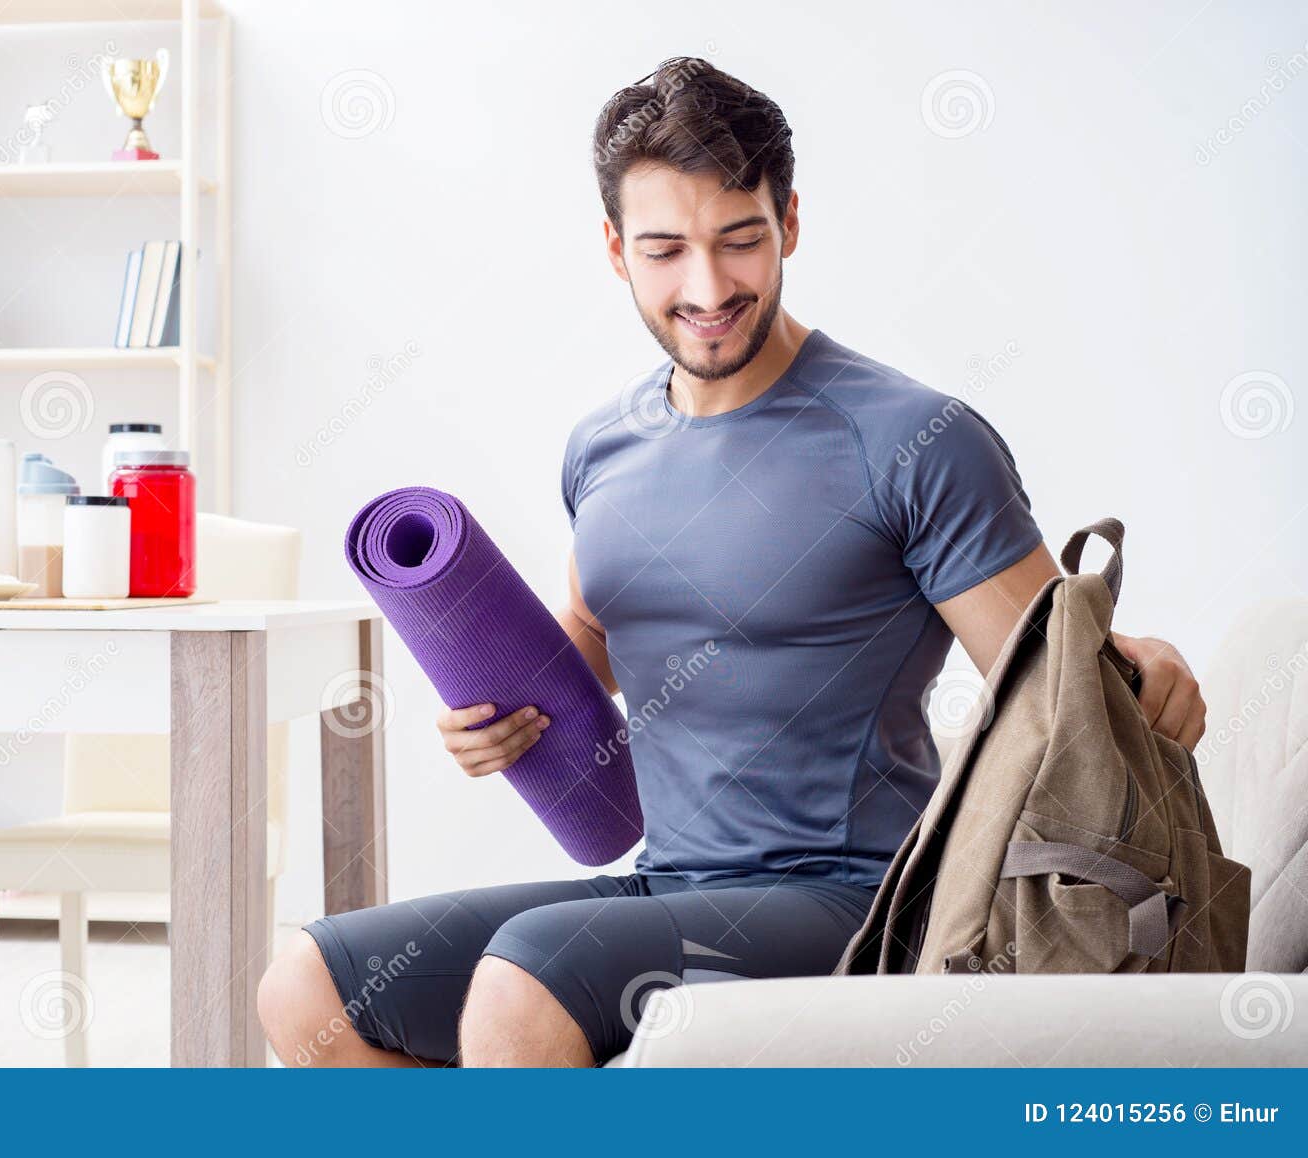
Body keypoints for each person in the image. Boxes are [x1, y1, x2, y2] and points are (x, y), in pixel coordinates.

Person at [257, 57, 1207, 1067]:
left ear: (788, 222)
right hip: (667, 881)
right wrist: (497, 718)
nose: (707, 288)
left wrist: (1129, 657)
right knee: (303, 988)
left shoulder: (911, 439)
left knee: (521, 987)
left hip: (861, 899)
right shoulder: (601, 449)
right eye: (665, 250)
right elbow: (594, 646)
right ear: (616, 250)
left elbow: (1045, 681)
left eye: (739, 241)